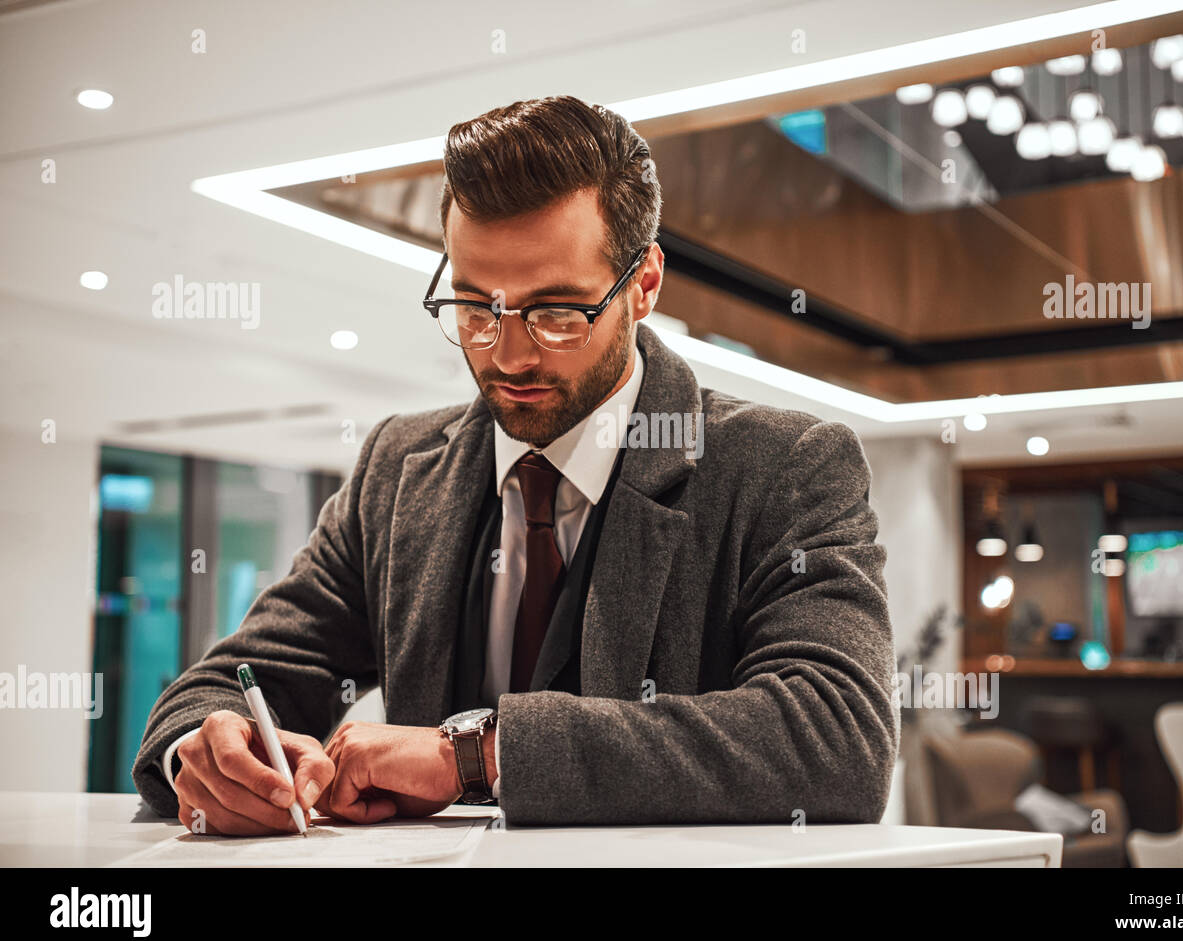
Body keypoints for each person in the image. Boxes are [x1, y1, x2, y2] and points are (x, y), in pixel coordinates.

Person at [132, 94, 897, 833]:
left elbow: (837, 737)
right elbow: (231, 680)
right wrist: (204, 746)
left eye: (558, 312)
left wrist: (475, 753)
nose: (510, 351)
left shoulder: (783, 466)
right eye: (475, 308)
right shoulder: (397, 470)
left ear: (646, 285)